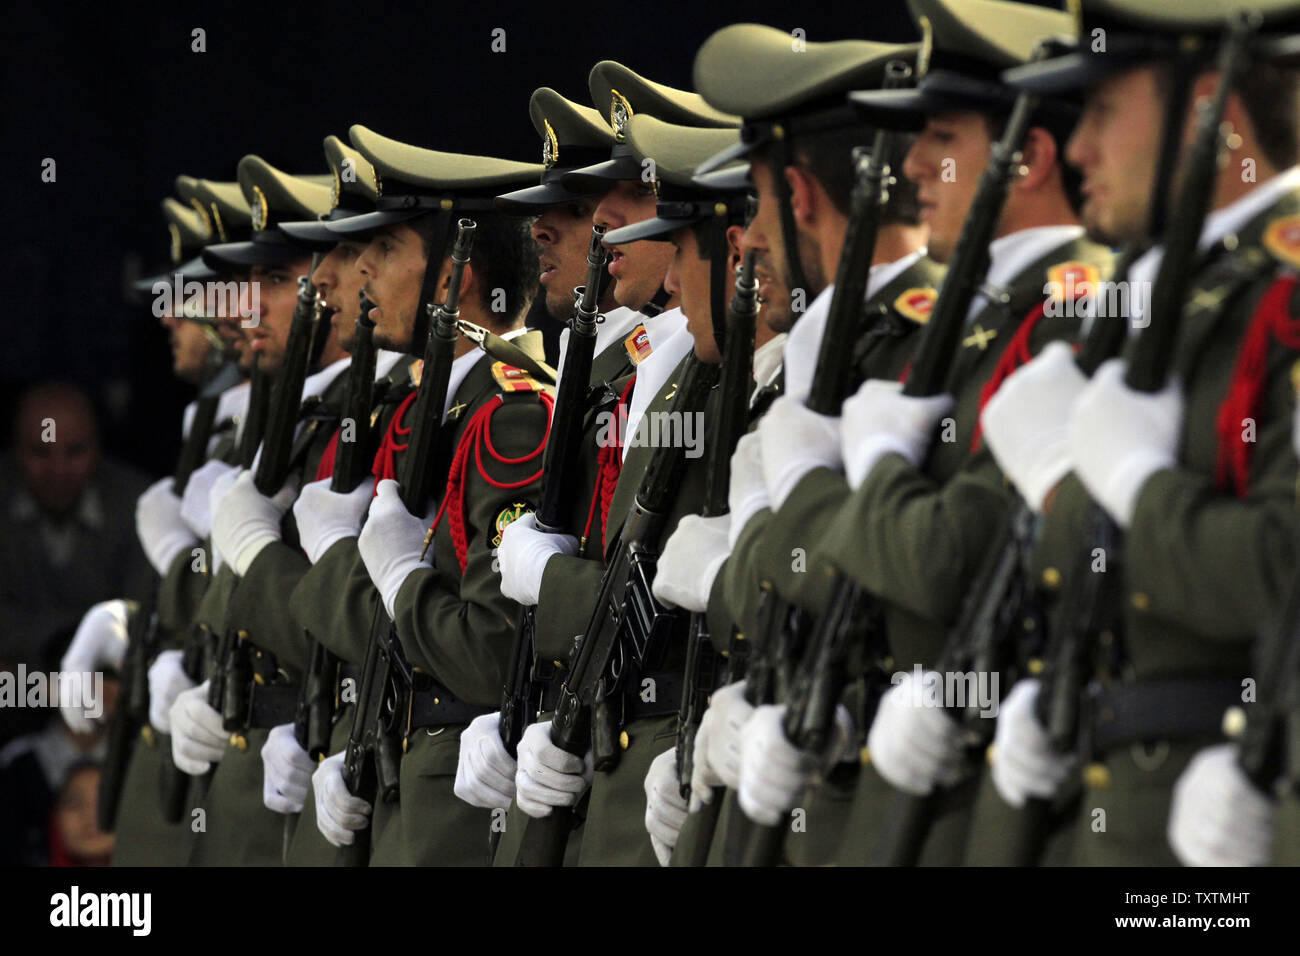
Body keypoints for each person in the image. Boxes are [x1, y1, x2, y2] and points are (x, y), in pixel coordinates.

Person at [984, 0, 1300, 867]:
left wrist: (1108, 481)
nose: (1079, 148)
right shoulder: (1161, 294)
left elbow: (1282, 566)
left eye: (1103, 112)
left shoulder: (1286, 294)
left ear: (1209, 113)